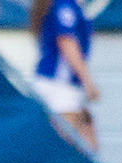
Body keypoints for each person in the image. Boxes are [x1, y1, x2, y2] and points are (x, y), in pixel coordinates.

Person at [28, 0, 98, 146]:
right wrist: (87, 82)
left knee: (88, 143)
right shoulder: (65, 5)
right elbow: (66, 41)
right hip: (59, 86)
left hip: (63, 87)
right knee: (64, 146)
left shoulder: (71, 6)